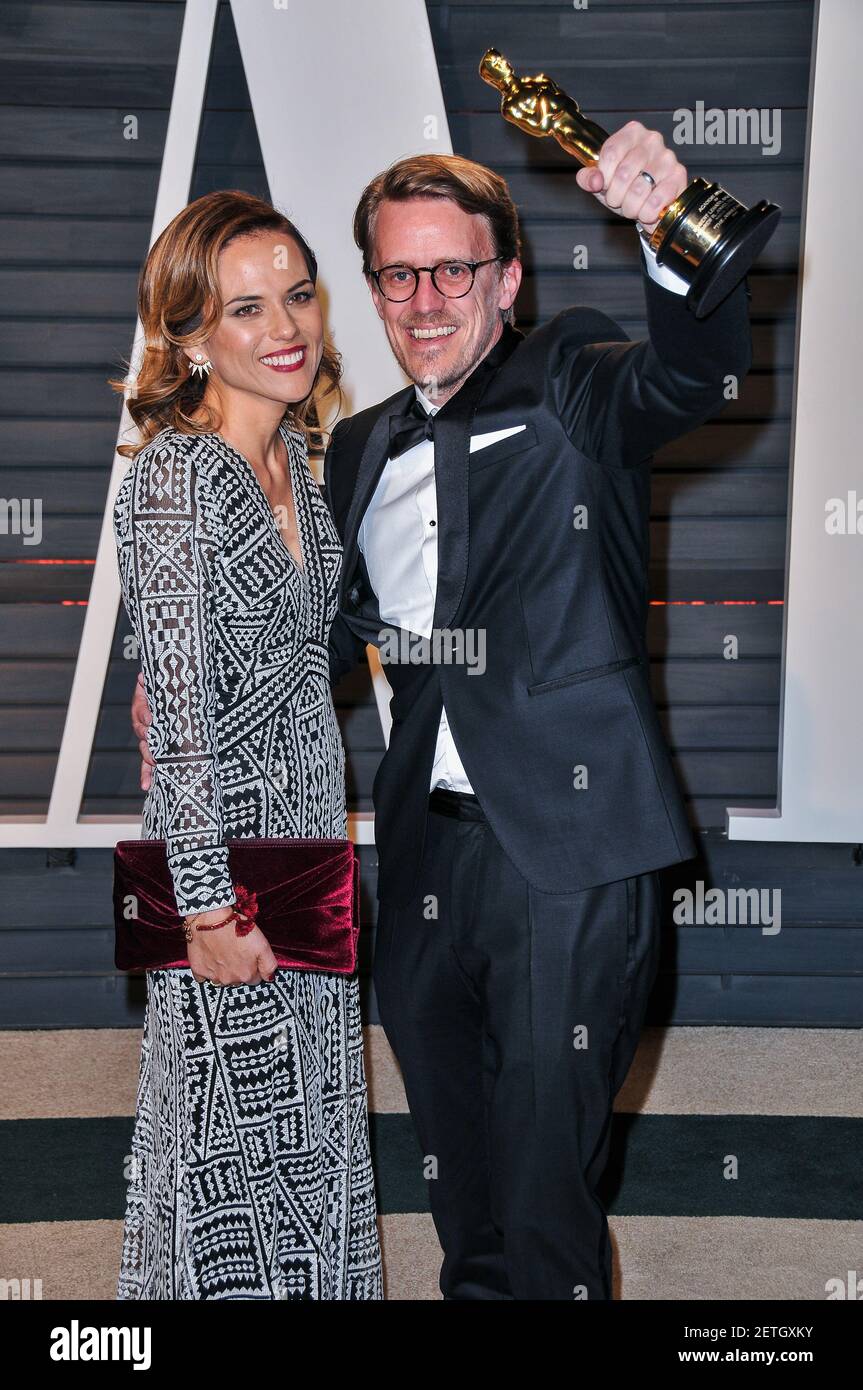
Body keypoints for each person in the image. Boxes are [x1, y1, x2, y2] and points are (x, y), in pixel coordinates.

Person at [134, 127, 752, 1301]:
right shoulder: (353, 446)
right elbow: (312, 632)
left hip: (566, 854)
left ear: (506, 279)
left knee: (542, 1187)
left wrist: (676, 232)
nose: (424, 301)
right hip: (418, 848)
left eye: (453, 270)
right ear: (369, 289)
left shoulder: (571, 374)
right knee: (458, 1184)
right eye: (395, 275)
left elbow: (687, 379)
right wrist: (180, 674)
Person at [113, 189, 382, 1300]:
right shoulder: (178, 477)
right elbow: (179, 726)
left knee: (315, 1120)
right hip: (229, 865)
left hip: (310, 837)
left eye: (300, 294)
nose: (287, 327)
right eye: (245, 308)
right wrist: (206, 912)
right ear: (188, 336)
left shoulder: (299, 471)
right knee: (224, 1144)